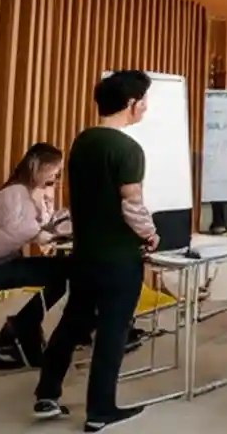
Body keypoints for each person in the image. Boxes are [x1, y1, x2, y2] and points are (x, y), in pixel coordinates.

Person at [34, 70, 159, 431]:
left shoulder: (83, 141)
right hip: (119, 258)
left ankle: (47, 393)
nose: (146, 108)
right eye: (144, 101)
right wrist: (150, 235)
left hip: (85, 252)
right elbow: (132, 205)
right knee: (112, 331)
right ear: (132, 104)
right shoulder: (127, 149)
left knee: (73, 322)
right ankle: (101, 409)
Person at [0, 143, 72, 369]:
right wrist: (51, 231)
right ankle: (23, 327)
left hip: (1, 262)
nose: (56, 175)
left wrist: (48, 200)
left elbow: (45, 223)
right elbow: (26, 230)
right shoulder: (13, 193)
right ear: (37, 167)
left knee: (63, 273)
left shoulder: (27, 192)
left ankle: (21, 328)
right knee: (63, 273)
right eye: (53, 170)